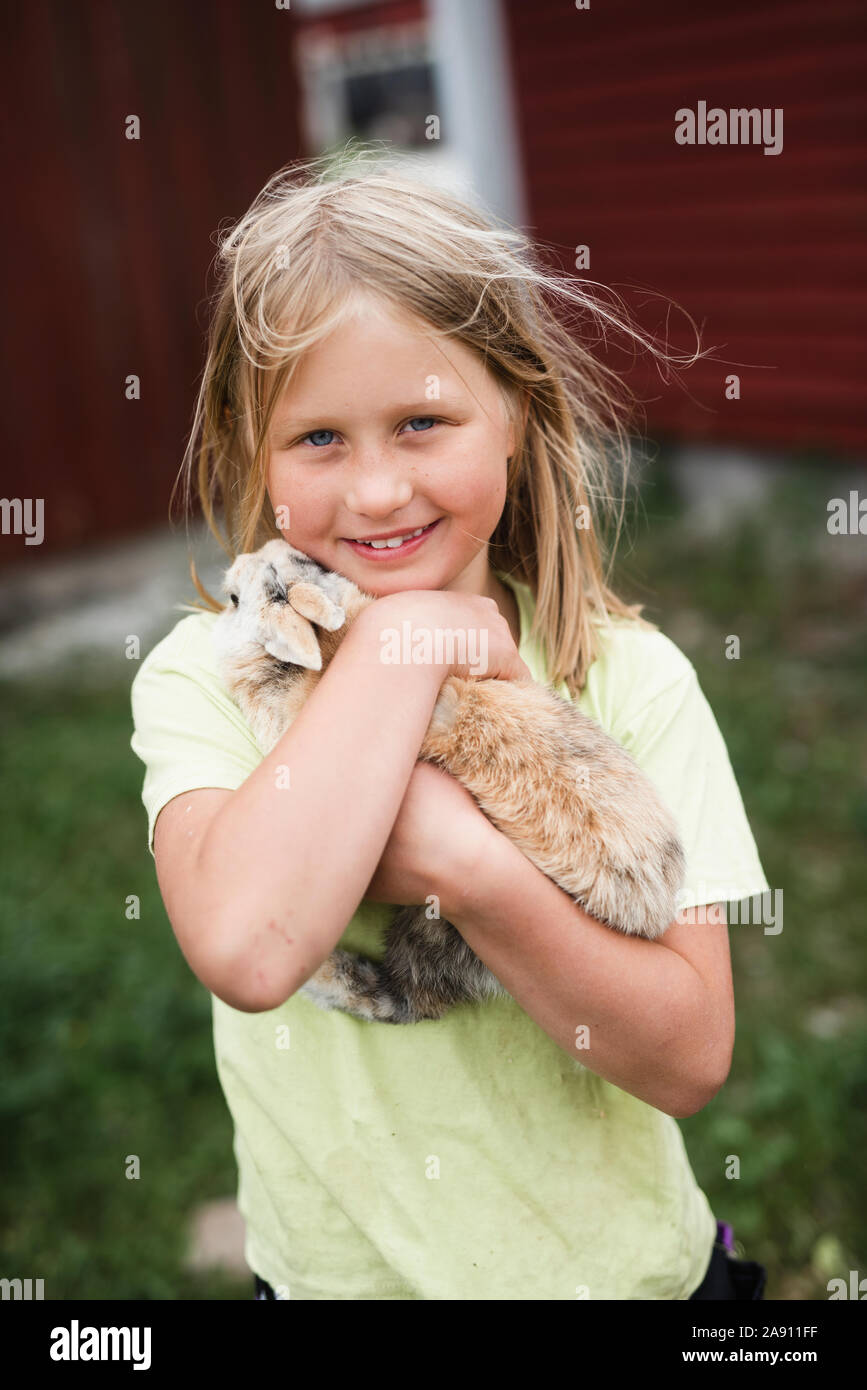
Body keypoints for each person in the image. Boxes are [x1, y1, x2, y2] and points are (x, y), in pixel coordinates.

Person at [130, 147, 770, 1300]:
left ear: (516, 417)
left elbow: (689, 1056)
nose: (377, 491)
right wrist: (394, 643)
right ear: (249, 450)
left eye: (423, 421)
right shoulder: (209, 674)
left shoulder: (628, 677)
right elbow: (246, 943)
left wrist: (471, 867)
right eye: (319, 439)